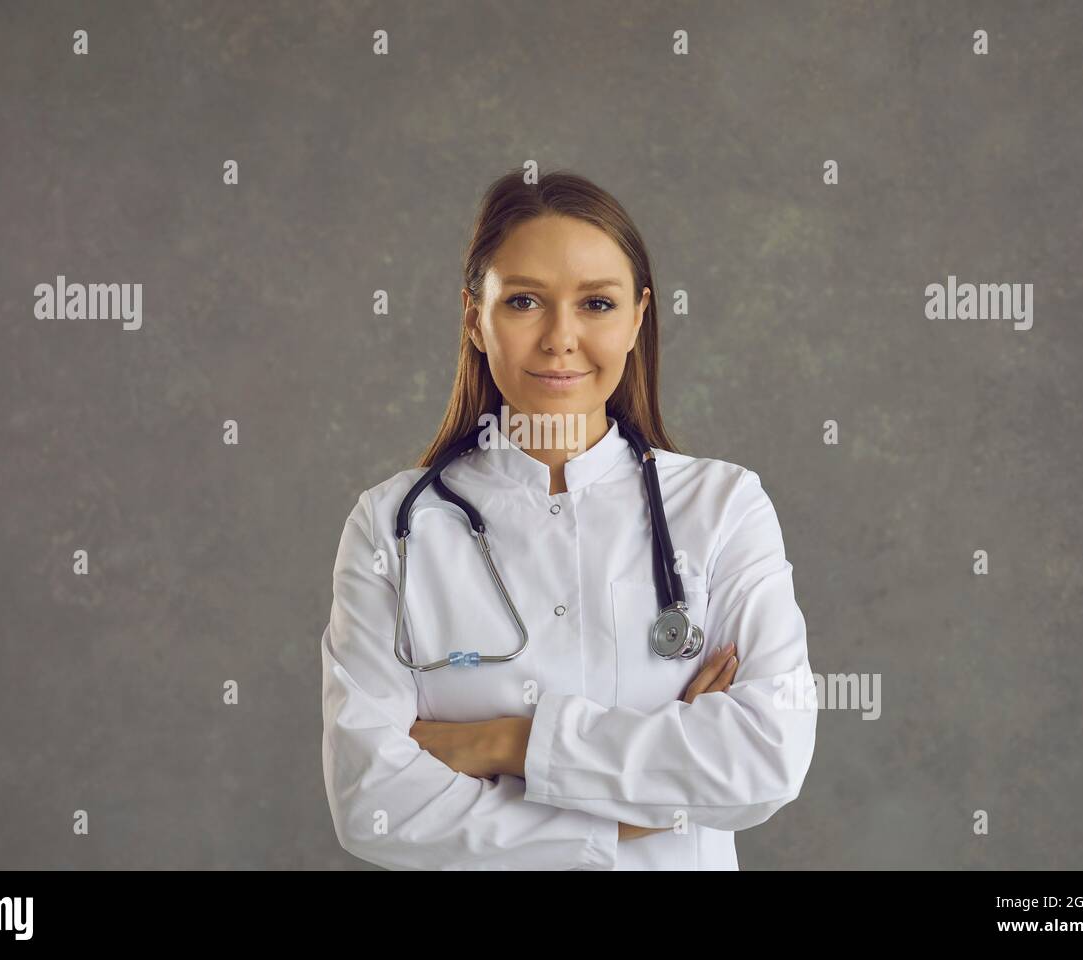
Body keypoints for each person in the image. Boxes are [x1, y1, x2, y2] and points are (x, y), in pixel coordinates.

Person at [320, 169, 818, 869]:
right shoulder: (391, 527)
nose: (561, 338)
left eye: (597, 304)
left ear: (639, 317)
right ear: (474, 315)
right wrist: (626, 820)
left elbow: (764, 759)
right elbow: (373, 802)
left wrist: (511, 744)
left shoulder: (723, 509)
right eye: (524, 301)